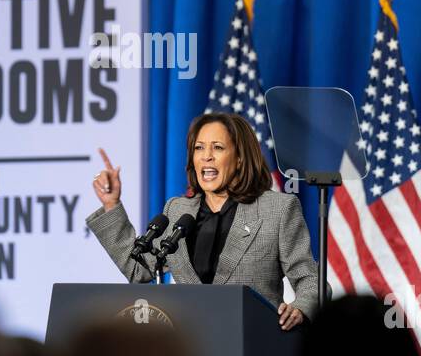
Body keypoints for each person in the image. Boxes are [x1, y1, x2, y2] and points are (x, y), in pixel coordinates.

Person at [87, 111, 318, 329]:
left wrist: (299, 308)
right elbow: (138, 269)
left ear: (239, 158)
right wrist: (111, 204)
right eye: (199, 148)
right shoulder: (178, 210)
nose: (206, 156)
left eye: (217, 147)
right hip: (191, 351)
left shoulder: (276, 209)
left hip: (253, 344)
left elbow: (310, 278)